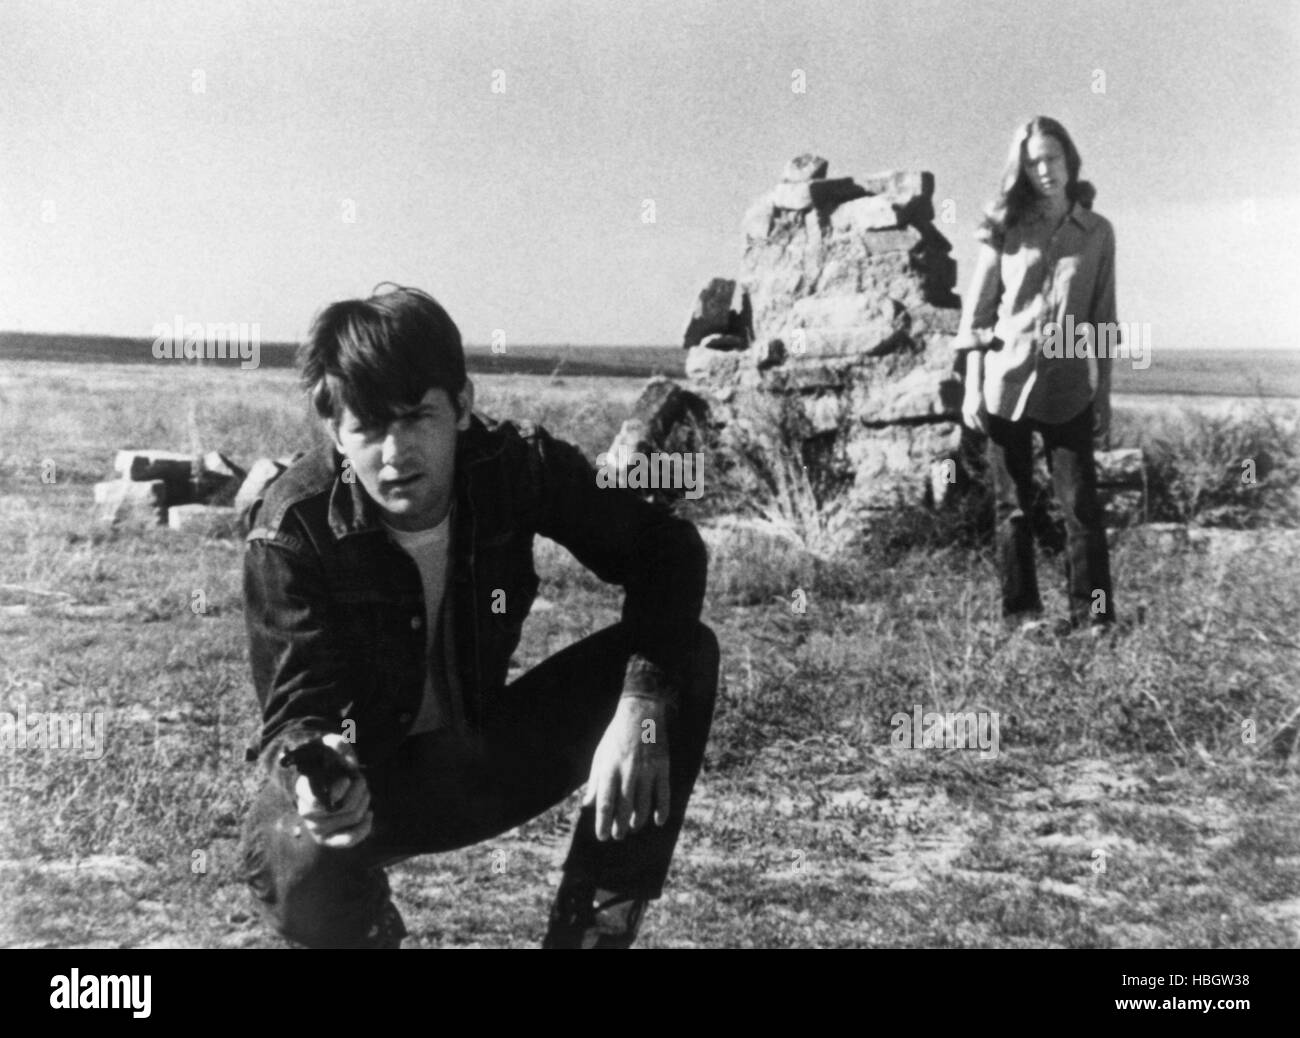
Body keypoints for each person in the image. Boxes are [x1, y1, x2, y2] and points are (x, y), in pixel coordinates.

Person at [236, 284, 719, 948]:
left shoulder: (516, 465)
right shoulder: (292, 529)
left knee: (680, 660)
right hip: (365, 786)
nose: (396, 452)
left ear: (462, 405)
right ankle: (364, 925)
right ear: (334, 431)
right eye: (368, 427)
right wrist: (320, 772)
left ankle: (591, 934)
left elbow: (665, 550)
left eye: (416, 417)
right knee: (302, 851)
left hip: (478, 764)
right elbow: (295, 709)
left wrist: (640, 708)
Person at [954, 116, 1117, 634]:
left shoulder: (1097, 233)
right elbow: (979, 314)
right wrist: (973, 386)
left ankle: (1092, 620)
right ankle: (1022, 616)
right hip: (1006, 382)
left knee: (1082, 510)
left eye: (1052, 158)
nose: (1044, 170)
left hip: (1069, 386)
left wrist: (1104, 393)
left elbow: (1102, 320)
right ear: (1021, 169)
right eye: (1032, 162)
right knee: (1014, 509)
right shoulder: (1006, 226)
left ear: (1070, 160)